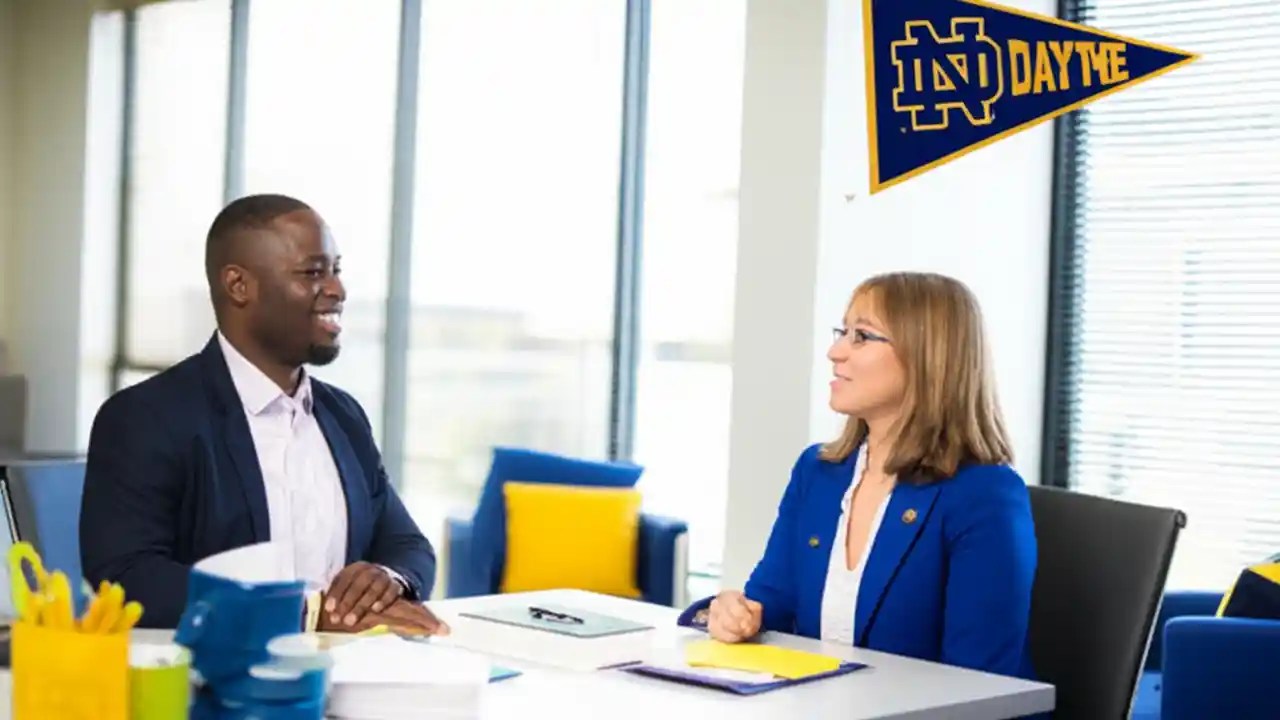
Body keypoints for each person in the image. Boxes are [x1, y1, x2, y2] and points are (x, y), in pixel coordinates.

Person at [80, 194, 446, 634]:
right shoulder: (145, 417)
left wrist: (387, 581)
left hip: (351, 676)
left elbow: (406, 543)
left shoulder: (344, 416)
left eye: (336, 270)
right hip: (213, 685)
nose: (337, 290)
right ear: (239, 286)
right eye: (313, 272)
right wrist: (305, 614)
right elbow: (128, 576)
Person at [702, 272, 1037, 679]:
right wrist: (732, 614)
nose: (835, 351)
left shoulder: (984, 495)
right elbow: (770, 606)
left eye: (861, 336)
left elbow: (978, 685)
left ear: (927, 356)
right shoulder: (819, 473)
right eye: (842, 332)